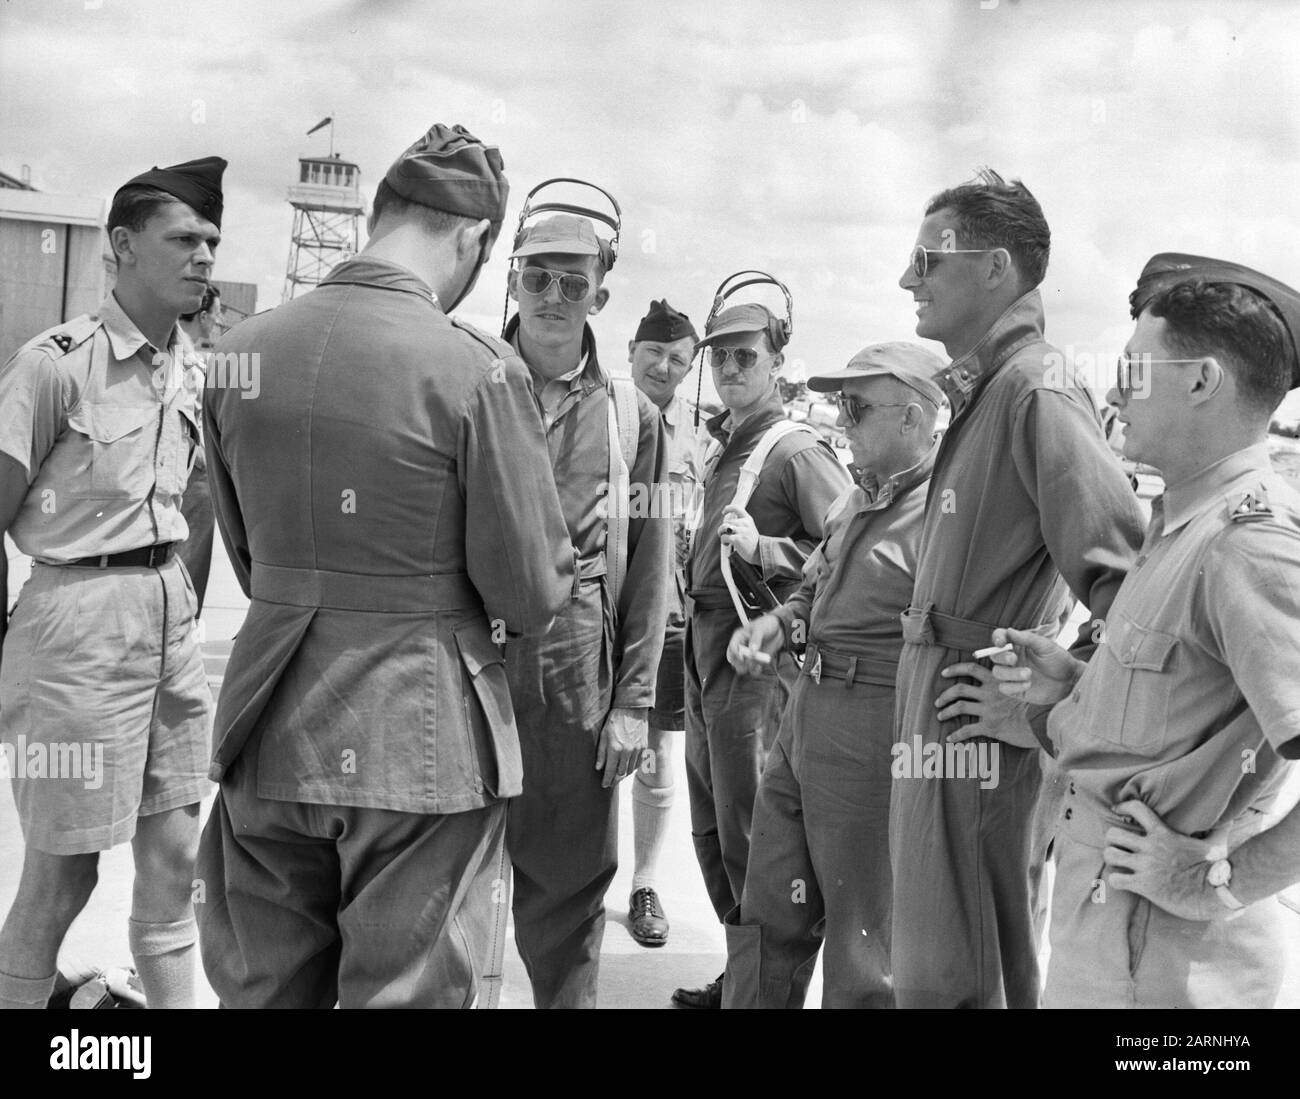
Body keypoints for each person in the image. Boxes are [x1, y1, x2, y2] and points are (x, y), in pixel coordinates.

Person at [195, 124, 574, 1008]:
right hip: (419, 741)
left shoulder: (242, 353)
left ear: (377, 214)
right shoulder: (476, 368)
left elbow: (251, 559)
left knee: (261, 989)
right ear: (476, 240)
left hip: (269, 718)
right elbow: (532, 591)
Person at [982, 255, 1300, 1008]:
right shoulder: (1182, 524)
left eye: (1135, 369)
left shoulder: (1247, 541)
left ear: (1201, 381)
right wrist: (1077, 684)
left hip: (1166, 971)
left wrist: (1216, 878)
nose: (1115, 389)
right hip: (1114, 941)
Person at [888, 169, 1146, 1008]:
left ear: (996, 268)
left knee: (971, 977)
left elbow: (1137, 597)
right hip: (939, 712)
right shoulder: (992, 388)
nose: (908, 279)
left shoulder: (1035, 389)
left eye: (928, 259)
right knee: (934, 964)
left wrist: (1048, 702)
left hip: (977, 726)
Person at [0, 156, 225, 1009]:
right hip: (76, 626)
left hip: (168, 623)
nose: (203, 255)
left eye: (211, 240)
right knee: (63, 878)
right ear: (123, 246)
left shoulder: (195, 370)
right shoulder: (55, 365)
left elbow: (195, 508)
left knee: (174, 861)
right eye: (184, 239)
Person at [723, 343, 946, 1008]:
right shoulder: (853, 501)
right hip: (805, 720)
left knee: (862, 945)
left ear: (912, 417)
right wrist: (780, 624)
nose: (840, 420)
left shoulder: (946, 515)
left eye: (856, 406)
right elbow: (812, 592)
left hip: (875, 733)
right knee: (767, 914)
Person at [501, 211, 671, 1008]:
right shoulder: (463, 379)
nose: (554, 298)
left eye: (574, 284)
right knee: (440, 896)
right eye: (538, 278)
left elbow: (652, 573)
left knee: (567, 901)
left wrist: (633, 701)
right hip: (467, 669)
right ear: (512, 280)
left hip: (575, 678)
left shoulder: (633, 415)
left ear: (599, 295)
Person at [673, 295, 851, 1009]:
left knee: (757, 836)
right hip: (705, 644)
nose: (730, 367)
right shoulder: (733, 442)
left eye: (746, 354)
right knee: (713, 824)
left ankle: (762, 992)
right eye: (720, 355)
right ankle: (741, 979)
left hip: (754, 653)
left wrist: (765, 549)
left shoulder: (795, 449)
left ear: (779, 360)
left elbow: (849, 546)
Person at [625, 298, 707, 947]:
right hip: (599, 605)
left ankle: (644, 880)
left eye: (680, 358)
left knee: (656, 754)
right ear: (632, 350)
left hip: (670, 614)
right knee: (582, 751)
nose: (665, 365)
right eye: (654, 351)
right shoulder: (601, 412)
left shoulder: (703, 435)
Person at [176, 284, 221, 618]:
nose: (218, 322)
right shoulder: (177, 356)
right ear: (203, 316)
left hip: (194, 477)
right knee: (188, 569)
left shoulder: (194, 355)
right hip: (194, 479)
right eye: (216, 315)